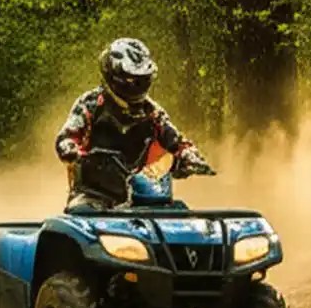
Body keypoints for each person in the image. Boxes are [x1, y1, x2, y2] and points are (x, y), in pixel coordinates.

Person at [56, 38, 213, 210]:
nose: (139, 85)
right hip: (93, 194)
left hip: (143, 194)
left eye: (143, 79)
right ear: (116, 77)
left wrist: (189, 156)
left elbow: (175, 140)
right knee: (83, 210)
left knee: (179, 211)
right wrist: (71, 150)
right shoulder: (91, 104)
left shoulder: (151, 111)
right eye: (134, 80)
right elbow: (67, 137)